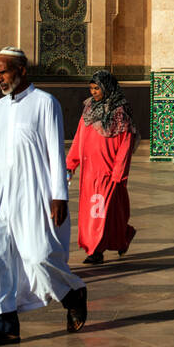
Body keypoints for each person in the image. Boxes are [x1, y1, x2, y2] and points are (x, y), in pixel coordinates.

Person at [0, 47, 87, 347]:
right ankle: (6, 326)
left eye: (4, 72)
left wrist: (59, 195)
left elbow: (55, 152)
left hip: (33, 193)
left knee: (37, 256)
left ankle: (72, 293)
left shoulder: (45, 103)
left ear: (22, 70)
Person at [66, 71, 138, 266]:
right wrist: (71, 163)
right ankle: (121, 237)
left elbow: (126, 144)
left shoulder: (121, 111)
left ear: (107, 87)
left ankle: (96, 251)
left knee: (102, 212)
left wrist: (119, 173)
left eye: (97, 88)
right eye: (91, 88)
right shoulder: (89, 109)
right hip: (89, 170)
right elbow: (80, 136)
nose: (94, 92)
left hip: (108, 172)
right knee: (94, 212)